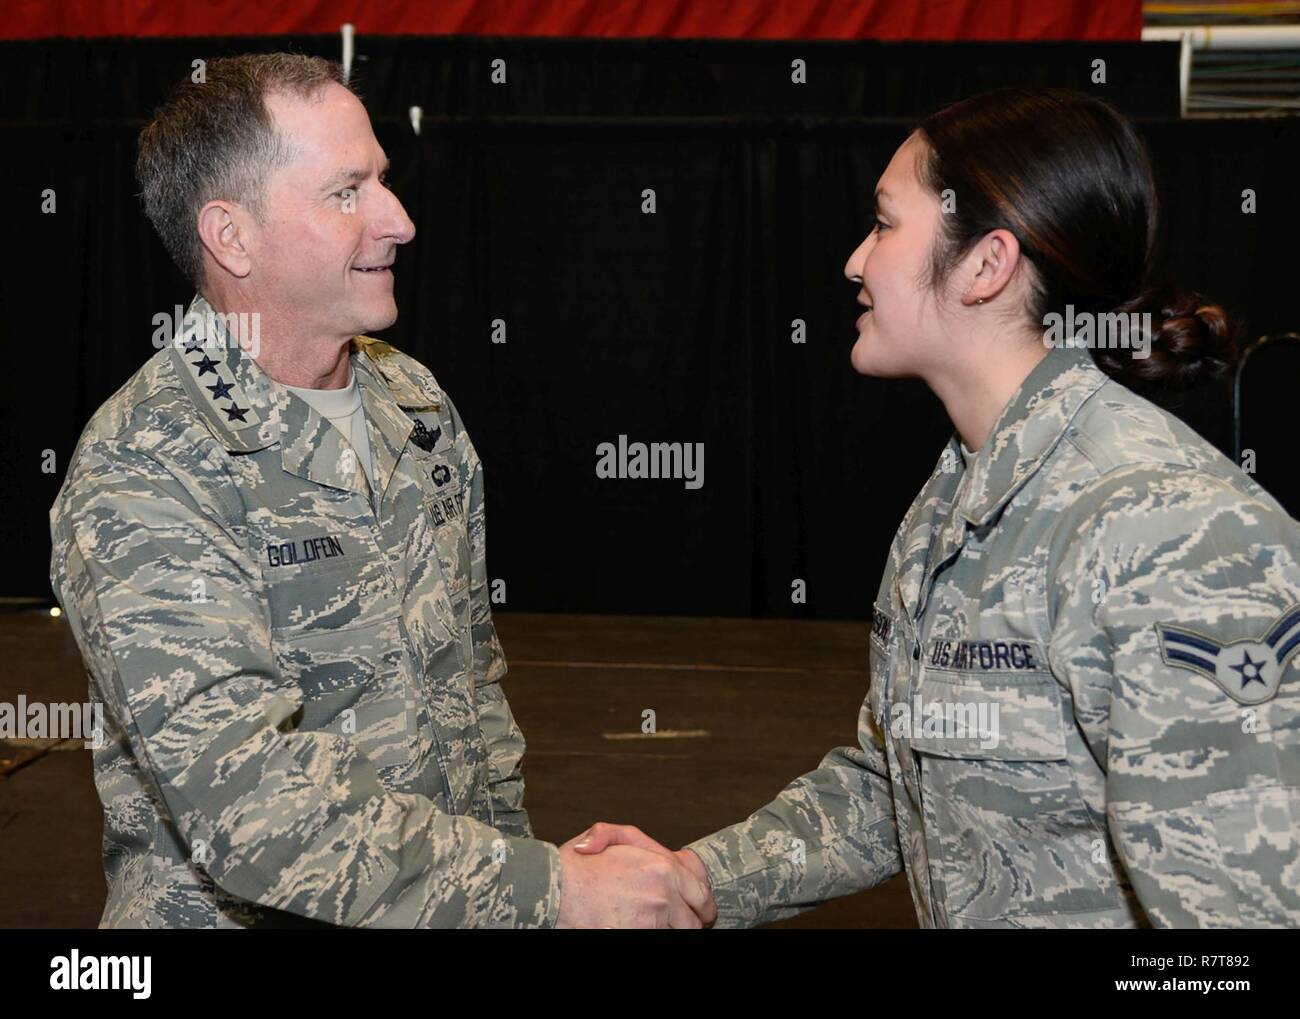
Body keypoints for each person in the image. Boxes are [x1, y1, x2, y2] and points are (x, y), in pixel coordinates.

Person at [575, 87, 1300, 928]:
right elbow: (902, 778)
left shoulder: (1169, 531)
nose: (855, 261)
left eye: (884, 224)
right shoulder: (954, 494)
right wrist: (699, 878)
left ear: (985, 265)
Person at [48, 53, 711, 929]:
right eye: (346, 191)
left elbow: (472, 687)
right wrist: (554, 893)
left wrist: (518, 891)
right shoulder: (147, 463)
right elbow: (250, 811)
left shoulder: (413, 402)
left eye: (384, 181)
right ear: (231, 236)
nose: (397, 220)